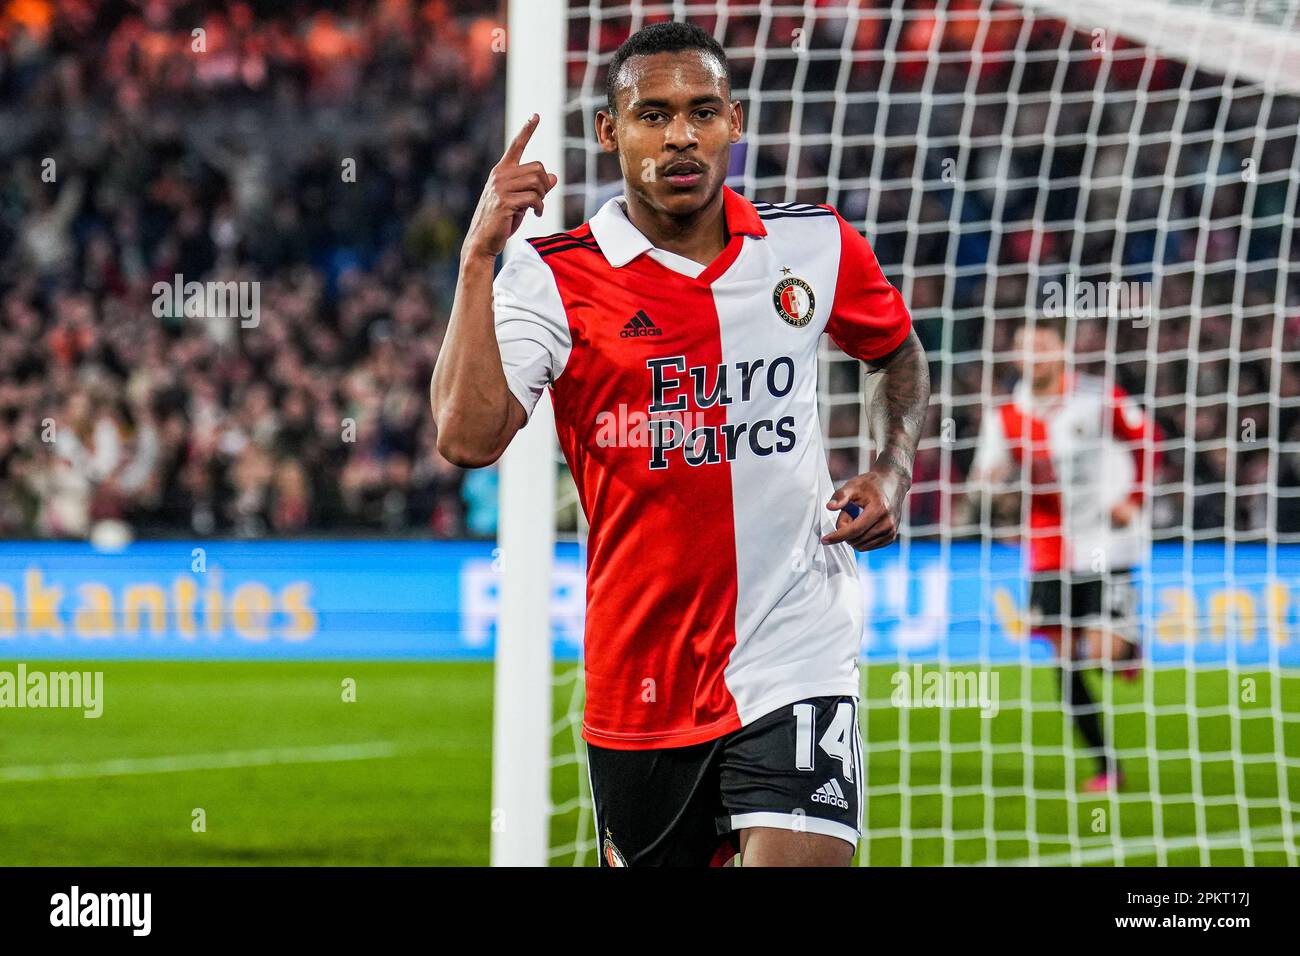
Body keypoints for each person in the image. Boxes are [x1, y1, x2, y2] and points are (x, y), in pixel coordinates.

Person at [431, 21, 929, 866]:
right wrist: (479, 257)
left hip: (795, 645)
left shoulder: (813, 245)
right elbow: (467, 436)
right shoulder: (552, 275)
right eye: (652, 115)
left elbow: (896, 352)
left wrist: (891, 466)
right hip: (641, 677)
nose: (679, 137)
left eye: (702, 112)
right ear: (609, 131)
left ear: (735, 121)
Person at [971, 317, 1160, 793]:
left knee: (1099, 652)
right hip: (1049, 551)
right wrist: (994, 490)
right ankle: (1107, 767)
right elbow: (982, 483)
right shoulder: (1006, 417)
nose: (1033, 355)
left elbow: (1148, 441)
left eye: (1042, 345)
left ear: (1060, 351)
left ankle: (1126, 649)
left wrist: (1132, 499)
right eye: (1024, 346)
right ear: (1016, 358)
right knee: (1065, 662)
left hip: (1106, 542)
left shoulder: (1098, 398)